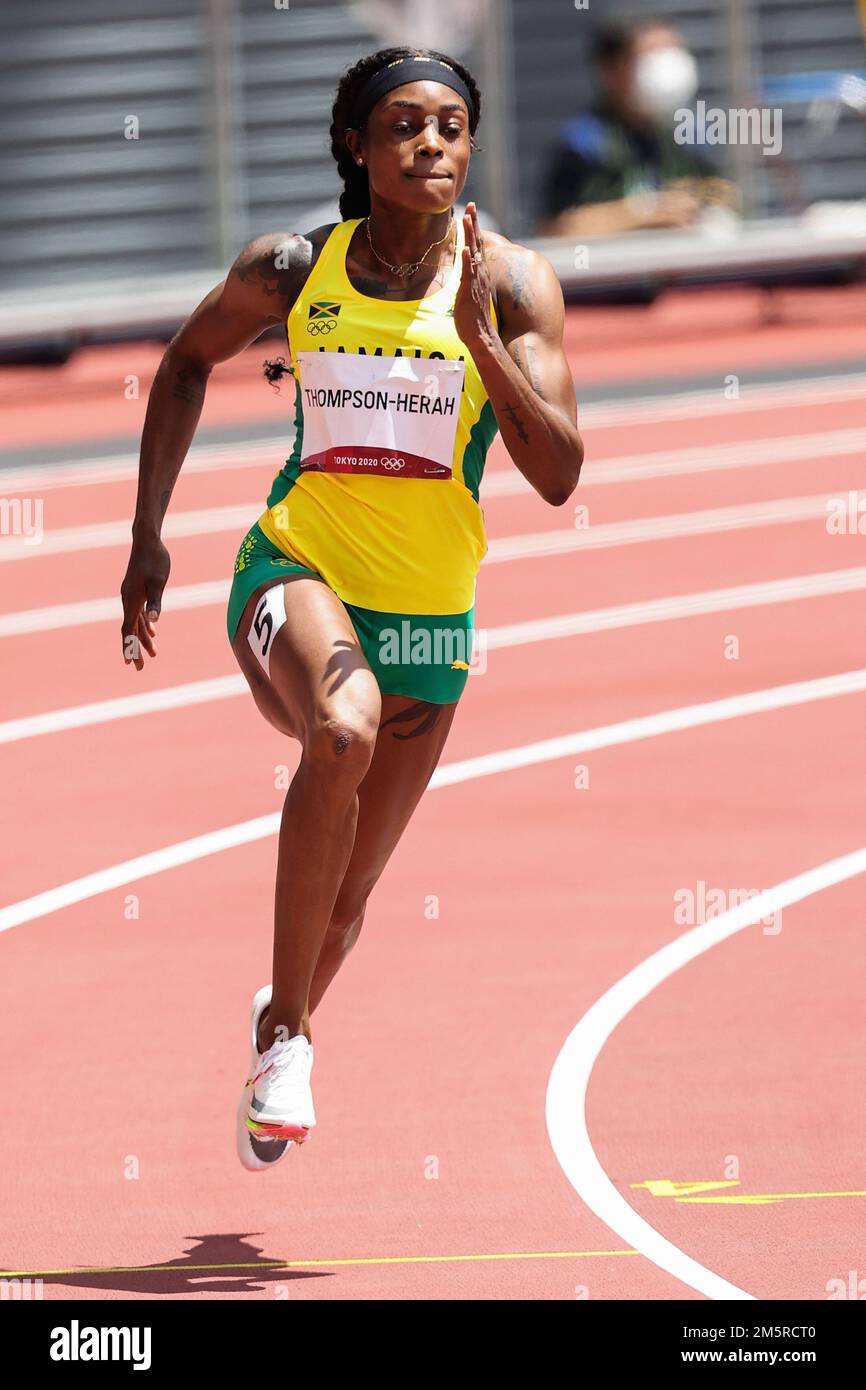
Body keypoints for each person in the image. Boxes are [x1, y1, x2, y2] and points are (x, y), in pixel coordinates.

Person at [120, 45, 583, 1173]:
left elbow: (561, 472)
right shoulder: (290, 268)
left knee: (344, 901)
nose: (431, 145)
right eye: (404, 126)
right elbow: (184, 363)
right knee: (341, 726)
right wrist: (147, 534)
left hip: (430, 617)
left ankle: (284, 1017)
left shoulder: (512, 284)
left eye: (451, 128)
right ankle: (289, 1044)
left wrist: (476, 337)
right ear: (357, 146)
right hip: (292, 567)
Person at [538, 17, 735, 237]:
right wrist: (646, 212)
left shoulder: (690, 135)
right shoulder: (584, 143)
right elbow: (555, 230)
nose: (667, 70)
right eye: (650, 57)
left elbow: (723, 195)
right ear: (610, 69)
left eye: (672, 52)